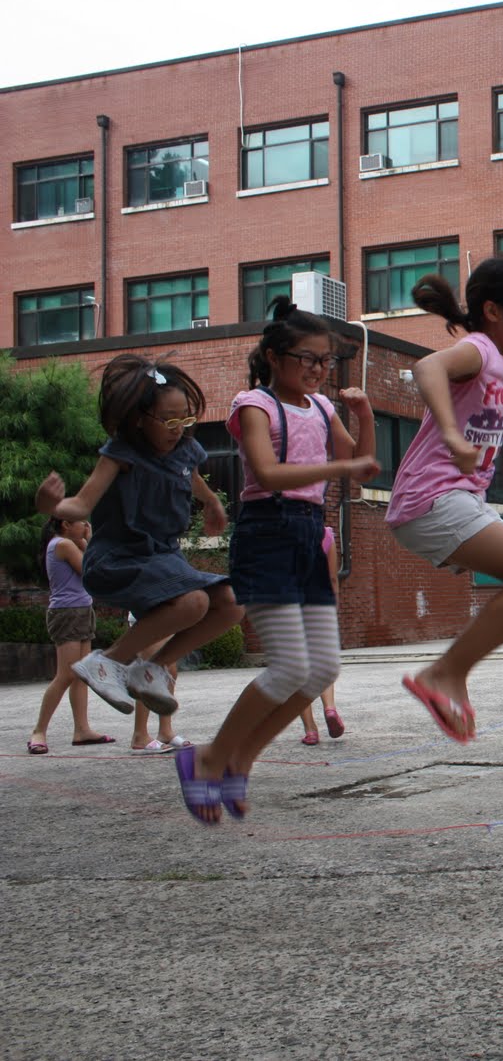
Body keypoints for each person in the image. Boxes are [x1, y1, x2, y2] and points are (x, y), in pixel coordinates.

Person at [171, 298, 377, 824]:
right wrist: (342, 461)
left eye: (325, 361)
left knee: (322, 668)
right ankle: (212, 757)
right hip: (268, 533)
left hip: (310, 533)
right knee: (289, 667)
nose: (316, 370)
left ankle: (239, 760)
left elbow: (363, 471)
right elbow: (264, 472)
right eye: (306, 358)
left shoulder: (324, 408)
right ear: (273, 356)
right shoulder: (253, 404)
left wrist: (365, 415)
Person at [386, 239, 503, 741]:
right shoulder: (480, 348)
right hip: (432, 498)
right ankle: (447, 672)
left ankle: (450, 671)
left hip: (457, 500)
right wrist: (450, 433)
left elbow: (493, 416)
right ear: (493, 311)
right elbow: (426, 368)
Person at [35, 356, 241, 725]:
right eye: (168, 420)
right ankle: (107, 662)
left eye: (185, 420)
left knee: (232, 603)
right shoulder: (121, 454)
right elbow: (81, 503)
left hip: (164, 556)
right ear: (139, 418)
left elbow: (191, 475)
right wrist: (51, 505)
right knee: (193, 603)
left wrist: (211, 502)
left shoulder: (185, 451)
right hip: (119, 557)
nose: (177, 430)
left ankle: (149, 670)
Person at [26, 517, 112, 753]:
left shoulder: (71, 543)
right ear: (65, 524)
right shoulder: (62, 544)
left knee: (81, 675)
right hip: (67, 613)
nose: (86, 526)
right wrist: (89, 542)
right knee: (65, 675)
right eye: (82, 522)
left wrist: (87, 542)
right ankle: (39, 731)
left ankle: (82, 730)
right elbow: (91, 572)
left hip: (83, 610)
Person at [298, 527, 346, 745]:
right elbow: (333, 578)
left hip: (291, 605)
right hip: (319, 604)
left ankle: (311, 730)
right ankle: (330, 707)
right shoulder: (326, 534)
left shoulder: (281, 531)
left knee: (299, 671)